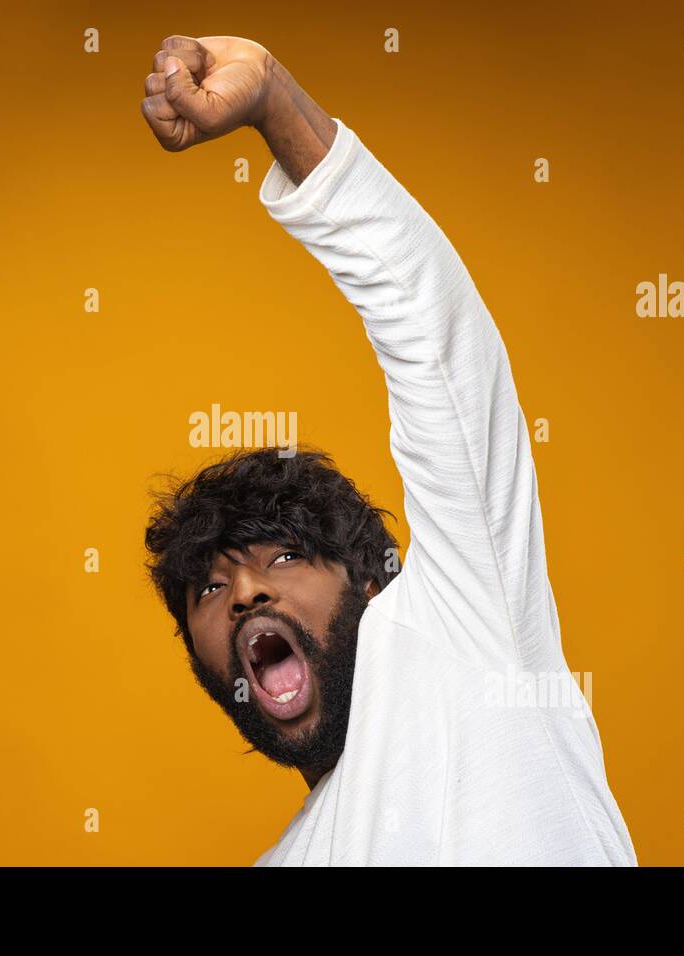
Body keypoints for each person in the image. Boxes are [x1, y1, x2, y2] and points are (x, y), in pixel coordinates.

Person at [141, 35, 638, 866]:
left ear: (372, 579)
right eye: (211, 586)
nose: (245, 593)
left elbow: (432, 332)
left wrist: (272, 101)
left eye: (287, 555)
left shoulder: (463, 631)